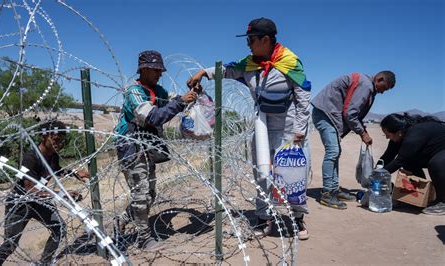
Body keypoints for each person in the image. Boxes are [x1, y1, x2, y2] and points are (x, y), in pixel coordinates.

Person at [187, 18, 311, 240]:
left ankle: (297, 219)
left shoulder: (290, 62)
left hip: (289, 128)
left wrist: (299, 131)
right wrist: (203, 73)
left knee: (292, 175)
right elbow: (227, 70)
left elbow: (303, 97)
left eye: (251, 40)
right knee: (261, 173)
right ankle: (263, 217)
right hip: (262, 126)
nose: (248, 44)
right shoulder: (249, 64)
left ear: (265, 40)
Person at [114, 50, 197, 251]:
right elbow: (151, 117)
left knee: (149, 195)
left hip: (148, 145)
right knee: (141, 194)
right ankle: (144, 238)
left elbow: (174, 99)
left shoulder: (158, 91)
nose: (160, 74)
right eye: (156, 70)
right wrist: (180, 102)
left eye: (160, 71)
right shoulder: (134, 91)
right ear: (143, 70)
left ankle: (122, 220)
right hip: (131, 146)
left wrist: (193, 94)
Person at [0, 120, 89, 265]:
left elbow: (55, 170)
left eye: (62, 141)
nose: (59, 144)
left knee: (58, 229)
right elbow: (30, 188)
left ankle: (45, 263)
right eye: (56, 140)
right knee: (10, 243)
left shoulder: (52, 155)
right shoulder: (30, 158)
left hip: (38, 202)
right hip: (19, 204)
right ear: (44, 137)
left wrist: (74, 172)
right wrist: (62, 194)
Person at [311, 71, 396, 209]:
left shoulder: (368, 86)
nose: (382, 92)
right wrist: (362, 133)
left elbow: (353, 113)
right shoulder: (367, 85)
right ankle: (327, 194)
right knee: (332, 151)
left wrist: (363, 130)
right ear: (380, 79)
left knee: (335, 152)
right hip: (325, 114)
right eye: (384, 88)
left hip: (330, 115)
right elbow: (350, 113)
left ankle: (333, 189)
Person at [379, 113, 445, 215]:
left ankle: (443, 202)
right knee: (409, 162)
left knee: (436, 164)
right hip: (432, 152)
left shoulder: (414, 135)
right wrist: (376, 170)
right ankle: (421, 195)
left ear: (399, 132)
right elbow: (388, 156)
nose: (387, 138)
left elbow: (399, 161)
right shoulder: (398, 136)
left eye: (388, 134)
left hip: (441, 153)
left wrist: (379, 175)